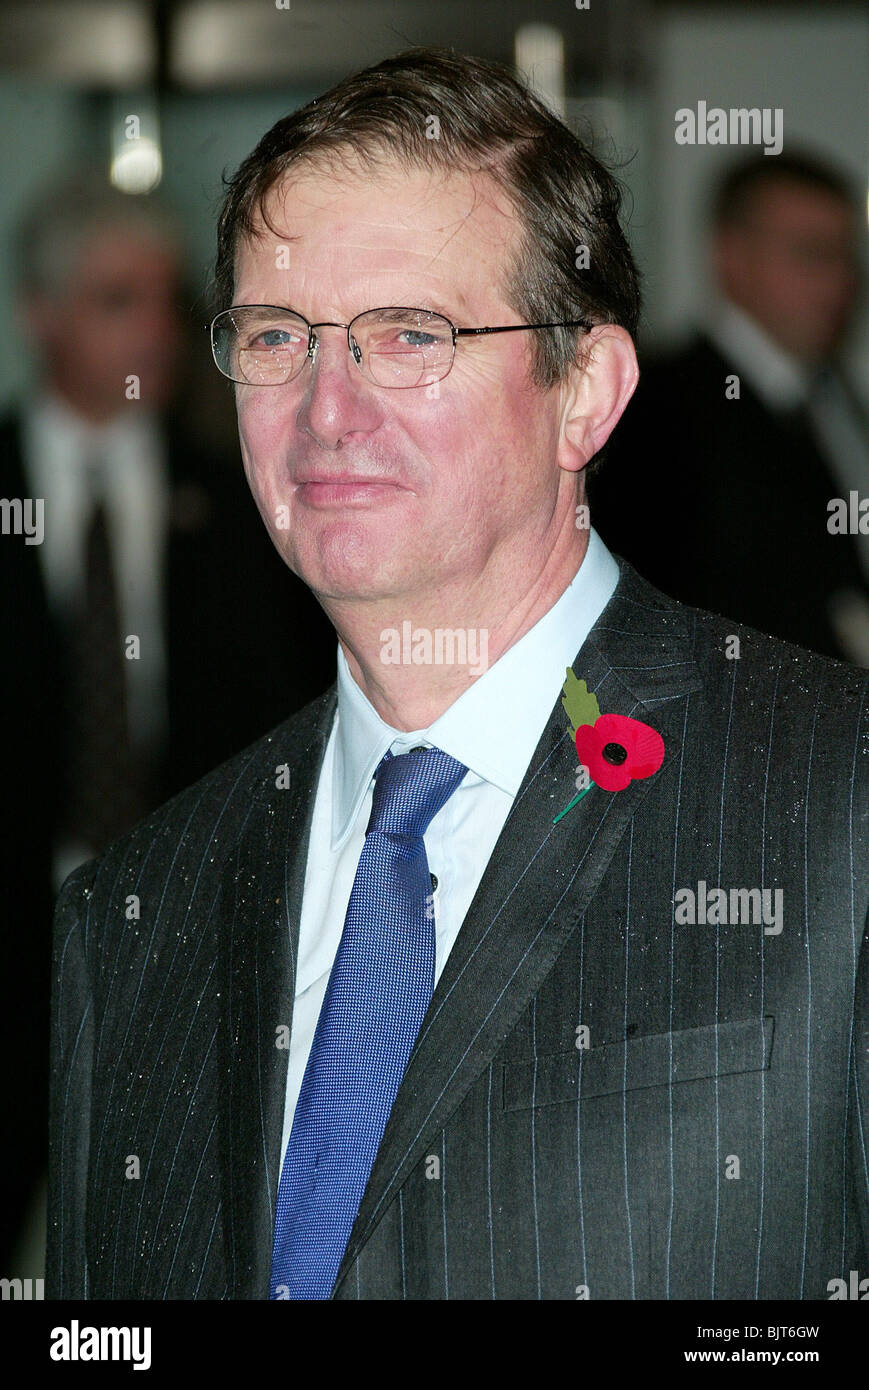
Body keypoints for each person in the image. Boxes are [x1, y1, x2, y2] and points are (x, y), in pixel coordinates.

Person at [46, 48, 868, 1301]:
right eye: (278, 334)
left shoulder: (835, 798)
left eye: (408, 334)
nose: (326, 407)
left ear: (583, 391)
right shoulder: (134, 915)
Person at [1, 174, 333, 1276]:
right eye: (113, 299)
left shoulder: (246, 493)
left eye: (163, 299)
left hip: (185, 926)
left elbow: (280, 713)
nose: (153, 329)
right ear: (38, 313)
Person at [590, 151, 869, 665]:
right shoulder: (654, 407)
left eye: (846, 256)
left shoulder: (835, 399)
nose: (840, 281)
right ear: (732, 256)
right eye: (812, 253)